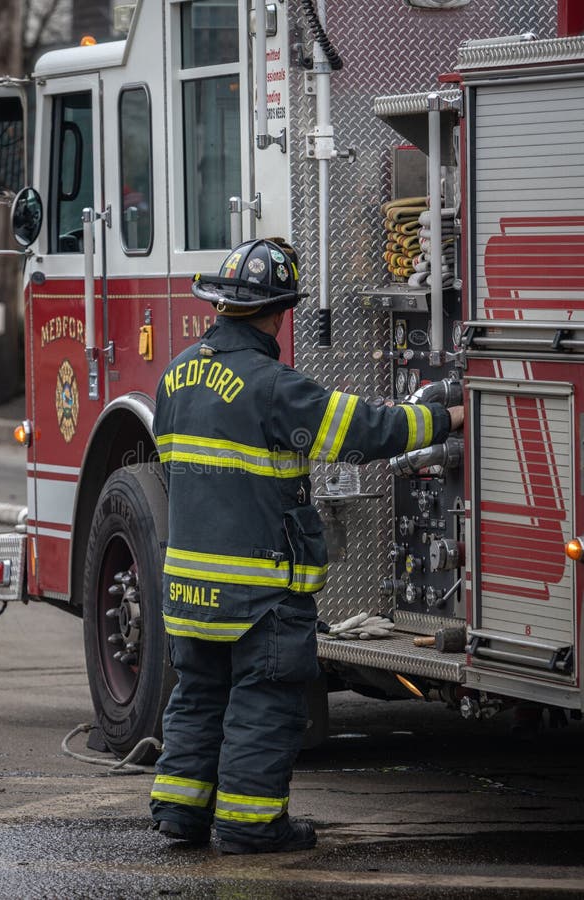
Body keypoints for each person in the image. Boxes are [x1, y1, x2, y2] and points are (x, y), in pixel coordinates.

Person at [149, 238, 464, 854]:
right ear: (281, 311)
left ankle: (179, 815)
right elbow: (370, 433)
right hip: (260, 591)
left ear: (221, 304)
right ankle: (250, 825)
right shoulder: (272, 385)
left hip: (187, 587)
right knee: (265, 704)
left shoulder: (174, 378)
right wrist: (448, 418)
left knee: (198, 695)